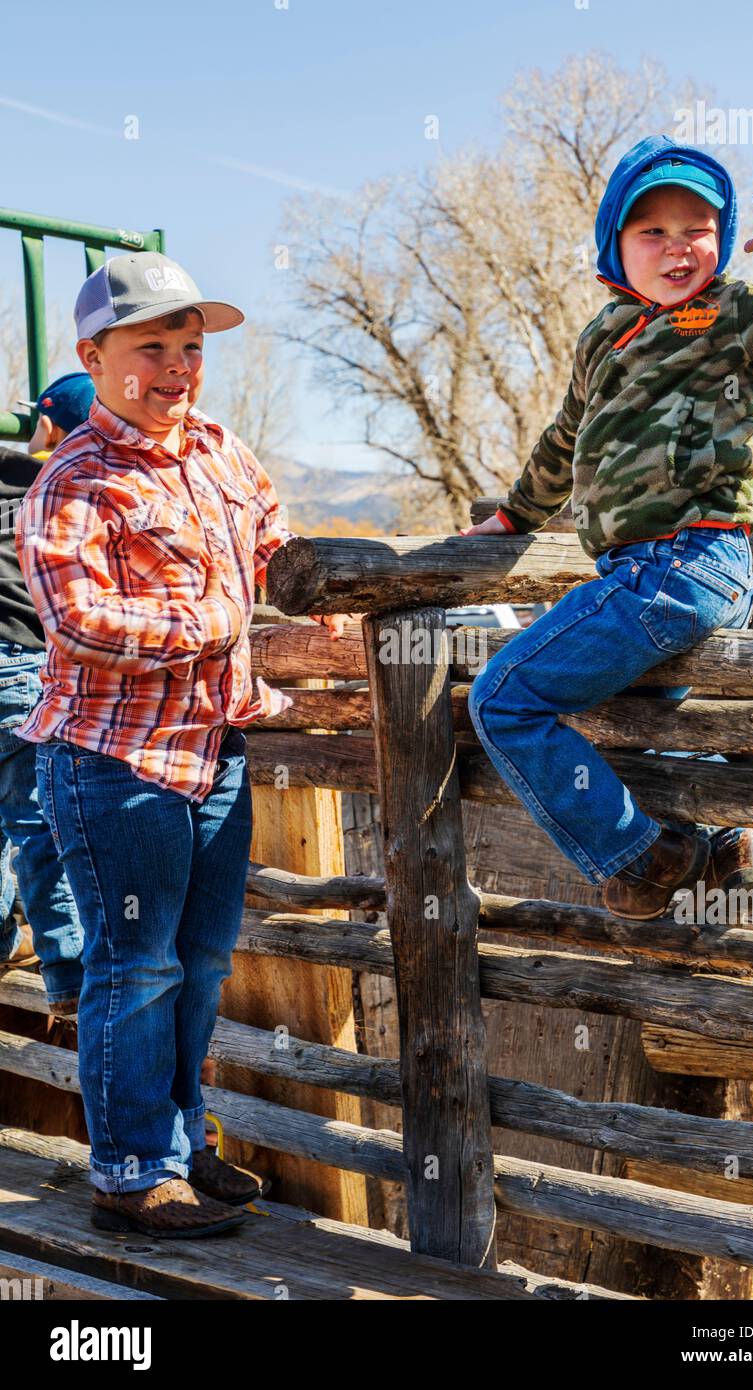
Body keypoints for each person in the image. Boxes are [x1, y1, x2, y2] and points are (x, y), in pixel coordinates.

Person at [15, 251, 353, 1238]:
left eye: (191, 347)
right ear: (95, 353)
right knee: (137, 964)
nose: (176, 366)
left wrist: (327, 596)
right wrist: (222, 618)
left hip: (213, 750)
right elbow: (80, 622)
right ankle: (129, 1170)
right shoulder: (75, 480)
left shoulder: (219, 449)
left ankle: (179, 1143)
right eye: (152, 346)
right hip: (114, 762)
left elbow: (274, 550)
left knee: (201, 961)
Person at [462, 134, 753, 923]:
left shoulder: (730, 314)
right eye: (653, 231)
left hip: (684, 562)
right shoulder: (603, 336)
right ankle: (729, 844)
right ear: (615, 245)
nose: (679, 247)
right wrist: (512, 516)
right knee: (657, 727)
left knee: (504, 699)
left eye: (697, 228)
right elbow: (562, 438)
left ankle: (643, 856)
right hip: (648, 574)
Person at [0, 374, 94, 1017]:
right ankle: (66, 976)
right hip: (30, 663)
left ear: (48, 423)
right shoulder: (63, 484)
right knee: (36, 820)